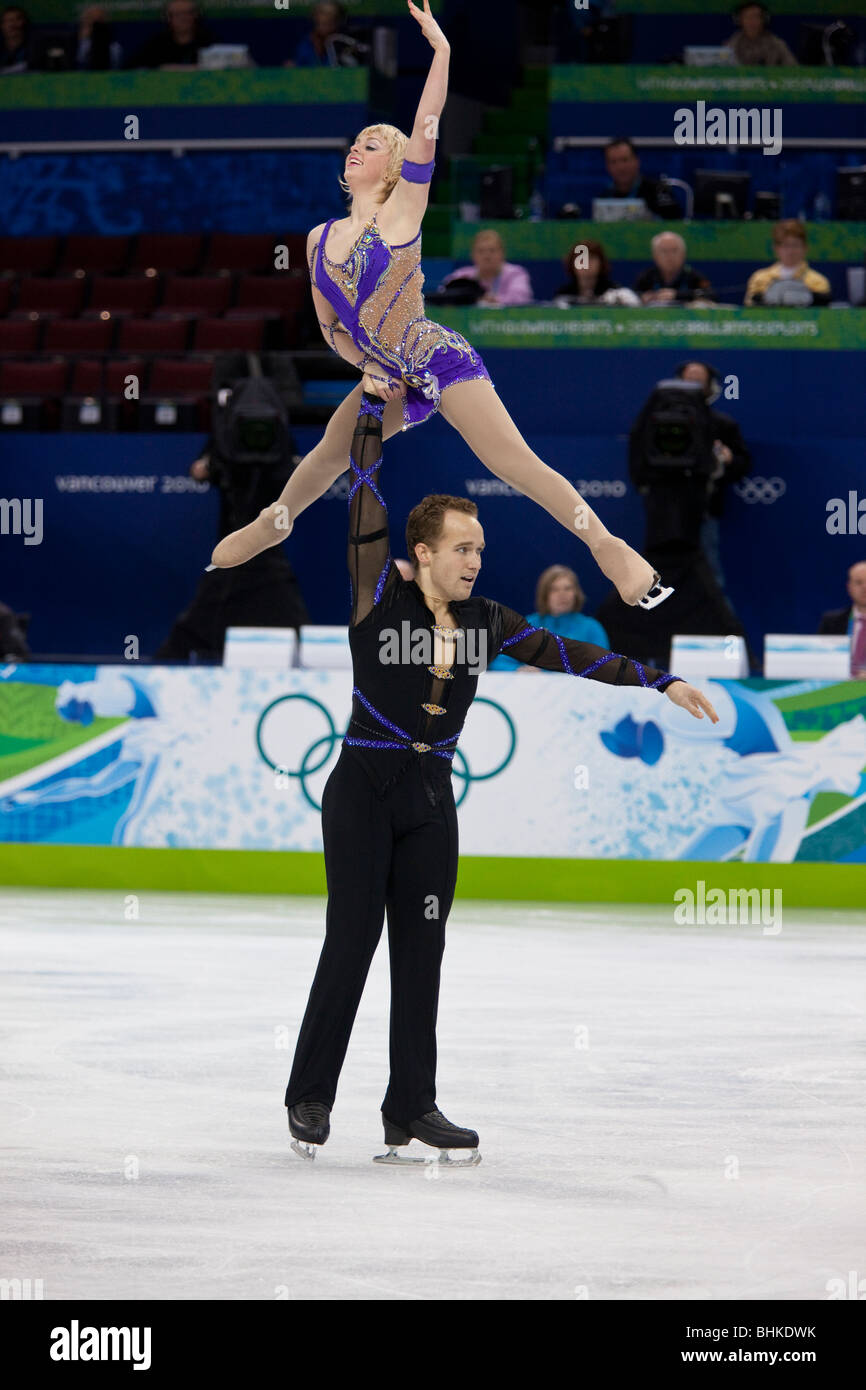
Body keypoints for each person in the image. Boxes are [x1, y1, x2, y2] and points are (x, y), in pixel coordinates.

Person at [284, 392, 718, 1162]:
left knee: (422, 951)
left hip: (428, 801)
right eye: (460, 549)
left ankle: (412, 1106)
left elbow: (573, 655)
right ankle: (311, 1095)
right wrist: (373, 413)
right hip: (361, 791)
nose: (474, 560)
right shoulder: (375, 593)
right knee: (350, 940)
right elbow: (364, 496)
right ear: (422, 553)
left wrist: (659, 681)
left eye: (479, 549)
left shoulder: (489, 620)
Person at [210, 0, 665, 615]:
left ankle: (609, 547)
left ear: (394, 167)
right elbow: (330, 329)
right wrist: (363, 366)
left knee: (513, 463)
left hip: (434, 354)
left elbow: (427, 124)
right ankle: (277, 519)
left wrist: (442, 53)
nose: (356, 148)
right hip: (388, 373)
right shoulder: (318, 241)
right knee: (327, 453)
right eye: (355, 142)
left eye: (371, 144)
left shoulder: (403, 213)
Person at [675, 361, 751, 592]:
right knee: (667, 572)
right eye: (688, 379)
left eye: (699, 380)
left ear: (711, 386)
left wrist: (727, 458)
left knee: (710, 571)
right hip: (667, 510)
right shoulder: (658, 422)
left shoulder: (722, 425)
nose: (693, 385)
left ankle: (716, 625)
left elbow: (743, 464)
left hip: (706, 510)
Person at [490, 564, 609, 671]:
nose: (562, 595)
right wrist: (519, 670)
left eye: (567, 588)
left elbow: (604, 666)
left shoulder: (592, 628)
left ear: (576, 593)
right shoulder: (526, 625)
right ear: (544, 595)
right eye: (554, 589)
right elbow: (498, 661)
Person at [744, 219, 831, 306]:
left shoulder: (818, 281)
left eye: (795, 245)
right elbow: (750, 310)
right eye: (785, 245)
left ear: (805, 248)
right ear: (776, 248)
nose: (790, 251)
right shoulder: (759, 279)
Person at [441, 229, 533, 307]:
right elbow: (443, 294)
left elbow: (522, 298)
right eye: (481, 251)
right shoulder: (462, 275)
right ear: (473, 255)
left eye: (492, 250)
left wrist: (494, 299)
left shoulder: (516, 274)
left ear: (502, 253)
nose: (487, 256)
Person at [601, 138, 682, 220]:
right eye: (613, 162)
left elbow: (675, 226)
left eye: (624, 160)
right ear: (607, 166)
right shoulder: (604, 196)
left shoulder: (659, 191)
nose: (620, 167)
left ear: (636, 161)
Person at [552, 237, 638, 306]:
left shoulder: (617, 293)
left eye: (591, 259)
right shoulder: (563, 295)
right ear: (572, 263)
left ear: (601, 263)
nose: (585, 264)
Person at [634, 232, 715, 305]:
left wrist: (678, 295)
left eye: (674, 250)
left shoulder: (693, 276)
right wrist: (642, 298)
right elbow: (631, 297)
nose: (669, 256)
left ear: (683, 254)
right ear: (655, 255)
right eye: (664, 251)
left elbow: (711, 295)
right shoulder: (647, 276)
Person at [128, 0, 214, 69]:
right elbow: (133, 68)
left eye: (188, 13)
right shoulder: (156, 45)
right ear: (168, 18)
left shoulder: (209, 42)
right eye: (177, 15)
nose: (183, 18)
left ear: (196, 16)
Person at [818, 560, 866, 679]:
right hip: (838, 690)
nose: (865, 587)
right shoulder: (832, 622)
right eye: (859, 582)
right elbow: (819, 662)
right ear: (849, 588)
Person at [287, 1, 364, 68]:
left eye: (328, 24)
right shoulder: (307, 43)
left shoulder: (347, 44)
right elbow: (299, 65)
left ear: (338, 23)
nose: (322, 28)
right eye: (318, 23)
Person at [724, 3, 797, 67]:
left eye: (756, 17)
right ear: (740, 21)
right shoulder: (733, 43)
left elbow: (793, 67)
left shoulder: (776, 43)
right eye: (748, 17)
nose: (752, 22)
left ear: (764, 20)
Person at [76, 5, 123, 71]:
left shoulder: (114, 47)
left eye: (99, 20)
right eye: (90, 20)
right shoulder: (78, 45)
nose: (94, 27)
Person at [0, 5, 33, 72]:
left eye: (18, 19)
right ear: (2, 25)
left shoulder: (36, 47)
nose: (13, 24)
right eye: (9, 21)